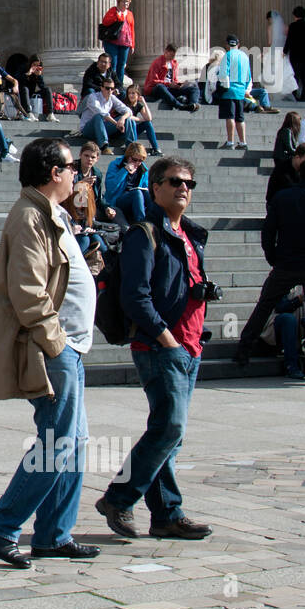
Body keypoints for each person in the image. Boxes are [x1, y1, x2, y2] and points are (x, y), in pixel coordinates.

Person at [0, 138, 99, 568]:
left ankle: (52, 534)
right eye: (71, 167)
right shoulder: (30, 216)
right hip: (53, 347)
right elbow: (28, 292)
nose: (76, 174)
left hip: (69, 347)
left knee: (74, 443)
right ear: (53, 172)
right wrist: (56, 342)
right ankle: (2, 524)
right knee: (58, 442)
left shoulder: (50, 214)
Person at [96, 156, 214, 541]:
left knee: (169, 432)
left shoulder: (190, 236)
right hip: (161, 346)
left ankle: (166, 515)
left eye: (189, 184)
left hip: (190, 346)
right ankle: (119, 496)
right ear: (156, 187)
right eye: (175, 181)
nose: (184, 188)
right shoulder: (144, 234)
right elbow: (136, 295)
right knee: (170, 427)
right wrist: (165, 336)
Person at [234, 160, 305, 385]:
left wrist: (272, 257)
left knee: (264, 305)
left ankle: (243, 350)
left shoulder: (282, 198)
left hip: (285, 262)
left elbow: (268, 232)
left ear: (299, 174)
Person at [78, 77, 137, 152]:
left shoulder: (112, 98)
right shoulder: (93, 97)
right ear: (101, 88)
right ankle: (104, 146)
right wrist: (116, 123)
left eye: (112, 88)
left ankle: (131, 147)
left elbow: (128, 110)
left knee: (128, 119)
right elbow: (101, 112)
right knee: (98, 116)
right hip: (88, 129)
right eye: (107, 88)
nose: (109, 90)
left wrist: (122, 119)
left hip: (102, 128)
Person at [216, 34, 251, 150]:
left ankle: (230, 142)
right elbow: (248, 76)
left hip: (229, 90)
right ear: (238, 44)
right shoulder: (244, 57)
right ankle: (243, 142)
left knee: (230, 116)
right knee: (240, 118)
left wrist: (224, 87)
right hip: (241, 91)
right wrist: (246, 89)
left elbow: (223, 73)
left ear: (227, 44)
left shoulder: (228, 55)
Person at [104, 142, 151, 225]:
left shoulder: (143, 169)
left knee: (147, 194)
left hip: (137, 201)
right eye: (134, 160)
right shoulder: (116, 165)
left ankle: (156, 222)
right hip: (118, 199)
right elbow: (110, 189)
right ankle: (141, 224)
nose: (137, 163)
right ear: (128, 156)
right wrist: (124, 171)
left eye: (140, 160)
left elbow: (145, 187)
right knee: (137, 193)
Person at [143, 44, 200, 111]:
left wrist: (179, 84)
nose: (173, 58)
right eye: (171, 55)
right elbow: (153, 81)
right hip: (156, 89)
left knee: (194, 88)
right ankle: (179, 106)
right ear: (166, 52)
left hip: (169, 88)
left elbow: (174, 80)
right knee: (160, 86)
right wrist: (169, 84)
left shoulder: (174, 63)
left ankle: (193, 105)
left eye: (174, 56)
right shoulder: (157, 63)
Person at [71, 141, 114, 223]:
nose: (89, 159)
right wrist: (79, 184)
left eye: (93, 157)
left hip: (89, 209)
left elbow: (98, 198)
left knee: (115, 211)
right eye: (86, 156)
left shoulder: (97, 174)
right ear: (80, 155)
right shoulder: (72, 169)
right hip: (71, 207)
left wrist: (106, 208)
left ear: (97, 159)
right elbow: (63, 192)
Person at [101, 0, 135, 86]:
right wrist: (118, 16)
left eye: (127, 2)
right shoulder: (113, 11)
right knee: (113, 64)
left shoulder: (130, 14)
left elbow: (131, 29)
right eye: (124, 1)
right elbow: (106, 22)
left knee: (122, 65)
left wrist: (132, 45)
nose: (126, 4)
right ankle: (111, 85)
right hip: (112, 42)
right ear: (119, 2)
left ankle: (119, 85)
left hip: (125, 43)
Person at [284, 6, 305, 101]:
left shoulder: (293, 26)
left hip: (295, 56)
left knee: (295, 76)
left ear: (295, 15)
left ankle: (294, 95)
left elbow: (289, 40)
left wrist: (285, 51)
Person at [123, 84, 161, 155]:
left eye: (133, 93)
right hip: (123, 130)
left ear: (138, 95)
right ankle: (133, 148)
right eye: (129, 93)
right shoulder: (124, 103)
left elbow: (149, 118)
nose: (131, 95)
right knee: (132, 122)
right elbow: (128, 117)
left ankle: (156, 149)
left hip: (132, 129)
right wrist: (140, 119)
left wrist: (144, 102)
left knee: (148, 123)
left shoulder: (138, 105)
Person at [22, 55, 57, 122]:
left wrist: (39, 76)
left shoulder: (37, 73)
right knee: (25, 88)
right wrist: (28, 74)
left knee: (47, 89)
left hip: (32, 93)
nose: (35, 67)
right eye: (34, 65)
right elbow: (19, 81)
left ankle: (50, 113)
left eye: (38, 65)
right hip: (23, 92)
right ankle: (28, 113)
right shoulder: (24, 68)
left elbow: (42, 86)